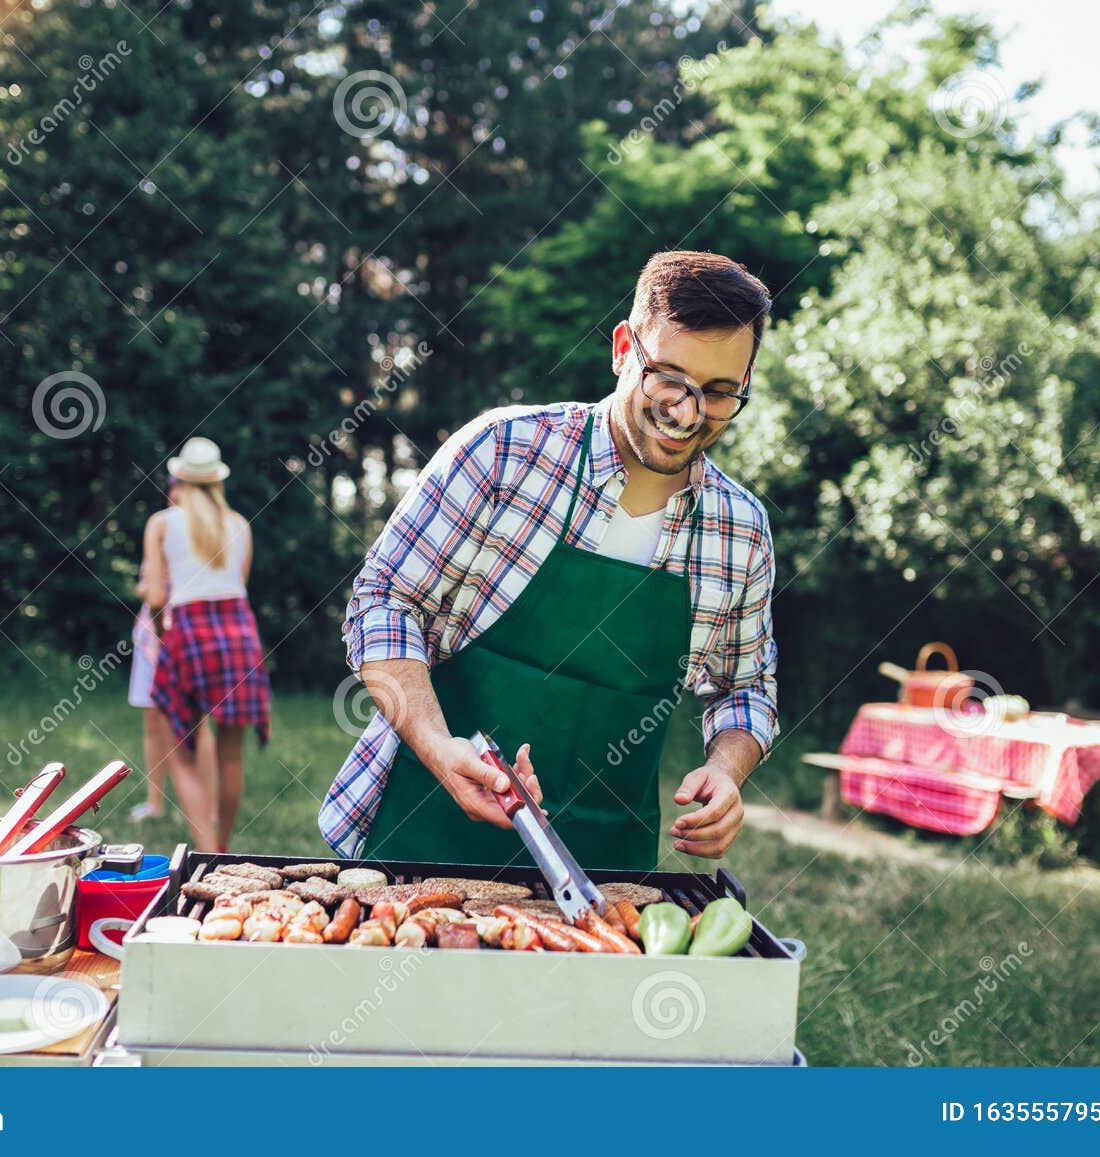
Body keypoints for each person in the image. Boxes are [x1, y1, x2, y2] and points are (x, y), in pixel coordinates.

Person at [320, 250, 779, 870]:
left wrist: (726, 769)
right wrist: (435, 744)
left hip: (606, 877)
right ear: (623, 349)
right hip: (421, 836)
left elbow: (744, 686)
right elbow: (383, 600)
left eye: (721, 392)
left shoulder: (740, 532)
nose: (686, 412)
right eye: (668, 378)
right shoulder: (503, 453)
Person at [143, 437, 270, 852]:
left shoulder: (162, 523)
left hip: (190, 631)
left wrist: (164, 639)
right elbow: (241, 586)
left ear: (179, 478)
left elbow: (157, 598)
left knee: (180, 749)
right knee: (231, 754)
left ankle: (205, 849)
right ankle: (223, 848)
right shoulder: (239, 524)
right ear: (217, 481)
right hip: (239, 632)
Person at [127, 480, 216, 823]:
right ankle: (155, 803)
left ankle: (205, 808)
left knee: (198, 723)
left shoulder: (209, 535)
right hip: (151, 638)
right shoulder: (160, 527)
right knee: (153, 722)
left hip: (192, 638)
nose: (177, 497)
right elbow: (148, 585)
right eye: (173, 491)